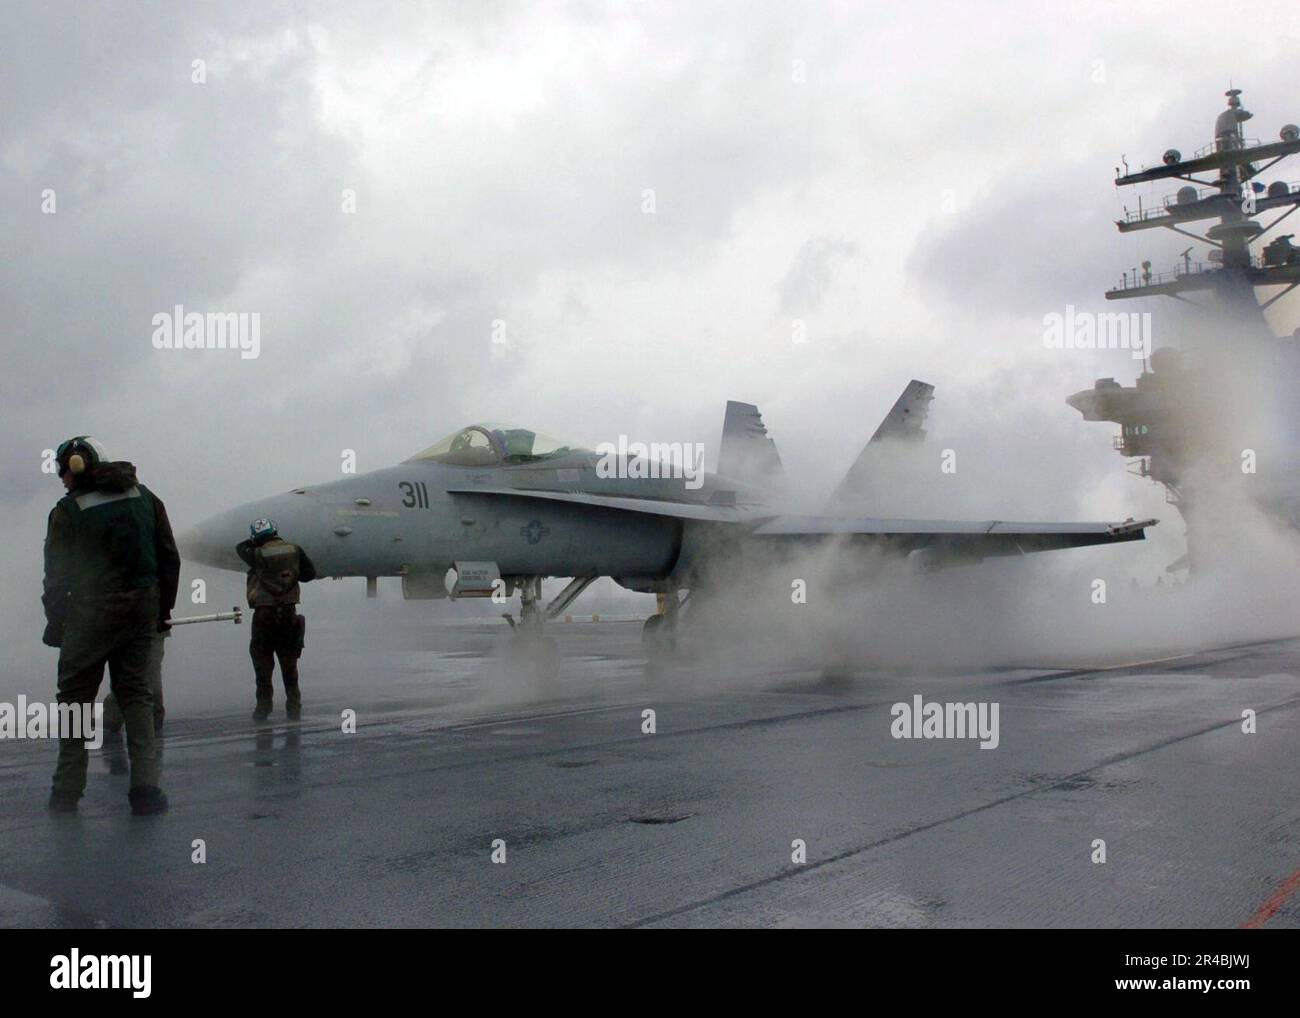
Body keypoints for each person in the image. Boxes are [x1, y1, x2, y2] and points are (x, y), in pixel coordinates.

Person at [42, 436, 179, 815]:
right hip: (141, 613)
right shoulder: (146, 498)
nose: (62, 479)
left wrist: (57, 624)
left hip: (89, 617)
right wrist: (160, 612)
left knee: (74, 702)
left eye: (63, 472)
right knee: (136, 695)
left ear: (77, 466)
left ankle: (66, 793)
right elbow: (170, 559)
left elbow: (56, 577)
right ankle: (146, 790)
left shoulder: (68, 511)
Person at [236, 518, 316, 721]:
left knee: (262, 664)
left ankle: (263, 708)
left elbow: (240, 548)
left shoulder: (256, 554)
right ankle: (294, 709)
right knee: (289, 665)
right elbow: (309, 574)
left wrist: (254, 542)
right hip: (288, 613)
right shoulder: (294, 550)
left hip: (264, 615)